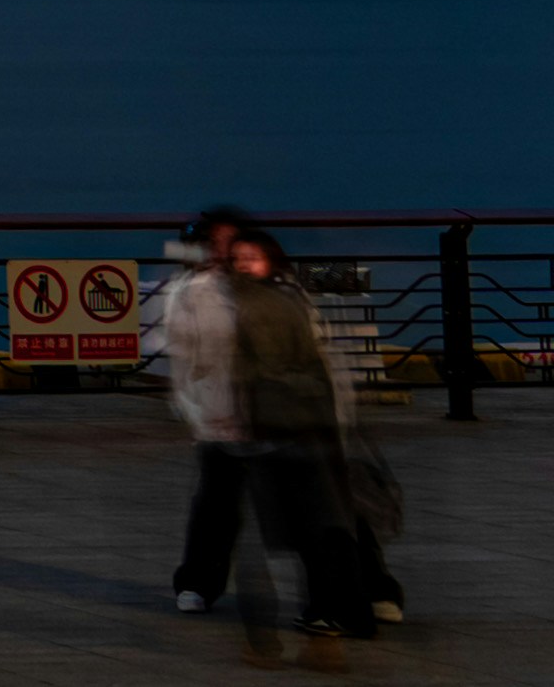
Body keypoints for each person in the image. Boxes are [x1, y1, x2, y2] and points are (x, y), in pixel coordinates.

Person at [164, 210, 396, 647]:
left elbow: (315, 356)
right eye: (224, 248)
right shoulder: (196, 293)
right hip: (236, 424)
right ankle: (201, 584)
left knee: (326, 516)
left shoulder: (280, 293)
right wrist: (202, 415)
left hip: (288, 422)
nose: (230, 256)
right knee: (223, 508)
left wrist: (333, 416)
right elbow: (188, 363)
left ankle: (363, 595)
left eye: (242, 250)